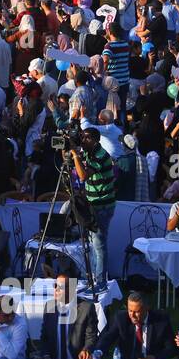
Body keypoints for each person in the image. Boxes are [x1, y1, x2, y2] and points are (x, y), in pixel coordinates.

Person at [69, 123, 115, 290]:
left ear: (96, 140)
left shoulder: (100, 155)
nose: (83, 140)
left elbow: (82, 176)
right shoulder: (90, 151)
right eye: (82, 137)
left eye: (87, 137)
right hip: (93, 203)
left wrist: (74, 155)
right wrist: (70, 149)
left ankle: (101, 282)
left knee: (99, 244)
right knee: (94, 243)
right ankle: (96, 279)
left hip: (102, 205)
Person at [96, 291, 175, 359]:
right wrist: (98, 352)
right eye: (130, 310)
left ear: (146, 309)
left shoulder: (161, 321)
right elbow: (107, 338)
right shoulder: (121, 318)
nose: (132, 315)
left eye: (137, 312)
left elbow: (171, 348)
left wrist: (154, 358)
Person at [37, 274, 98, 359]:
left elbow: (91, 336)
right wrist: (45, 354)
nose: (56, 290)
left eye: (60, 287)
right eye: (55, 286)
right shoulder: (49, 307)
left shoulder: (86, 308)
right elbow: (44, 337)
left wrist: (86, 350)